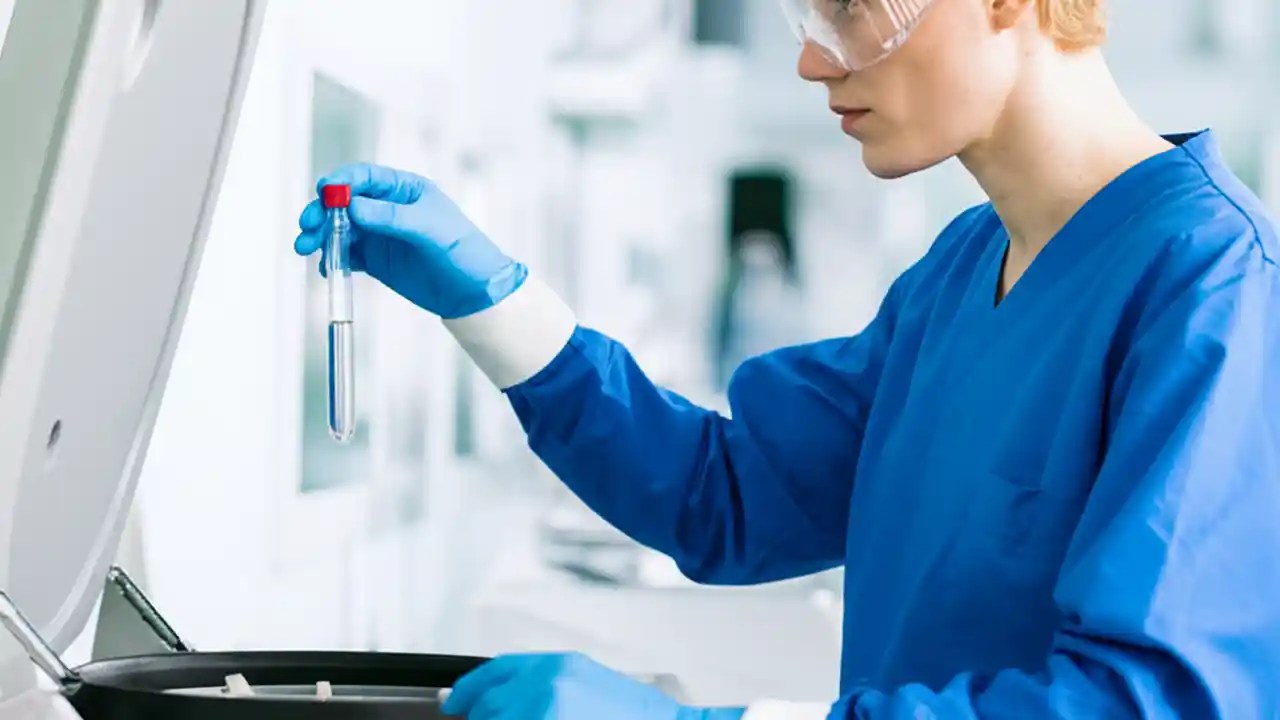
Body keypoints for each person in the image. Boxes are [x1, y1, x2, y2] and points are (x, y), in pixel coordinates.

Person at [294, 0, 1280, 718]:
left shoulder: (1214, 285)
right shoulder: (960, 268)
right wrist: (493, 300)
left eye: (850, 9)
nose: (813, 61)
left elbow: (1150, 703)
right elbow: (732, 496)